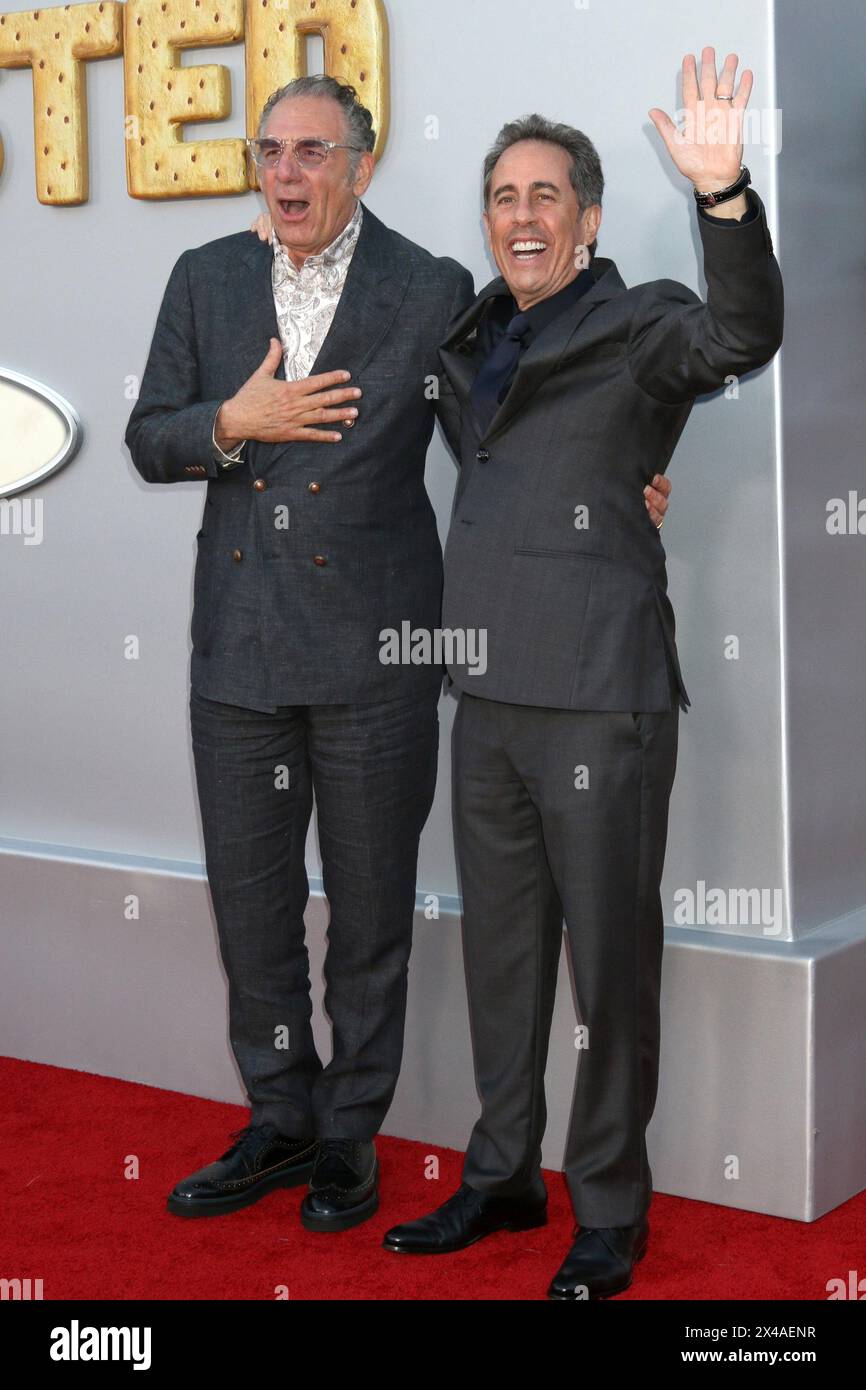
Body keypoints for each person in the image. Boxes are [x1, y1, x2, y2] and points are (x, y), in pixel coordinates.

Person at [124, 75, 672, 1235]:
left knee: (370, 917)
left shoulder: (431, 290)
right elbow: (145, 435)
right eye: (269, 150)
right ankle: (279, 1118)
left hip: (378, 657)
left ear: (360, 166)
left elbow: (497, 424)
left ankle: (348, 1141)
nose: (284, 173)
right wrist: (231, 424)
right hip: (236, 655)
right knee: (254, 911)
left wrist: (609, 480)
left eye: (311, 152)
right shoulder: (204, 278)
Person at [382, 48, 784, 1299]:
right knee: (501, 961)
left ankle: (607, 1203)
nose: (520, 214)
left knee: (608, 968)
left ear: (589, 216)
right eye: (502, 195)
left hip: (600, 699)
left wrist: (723, 199)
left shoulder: (641, 320)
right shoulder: (470, 336)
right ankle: (503, 1174)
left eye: (545, 194)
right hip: (483, 702)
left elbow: (741, 333)